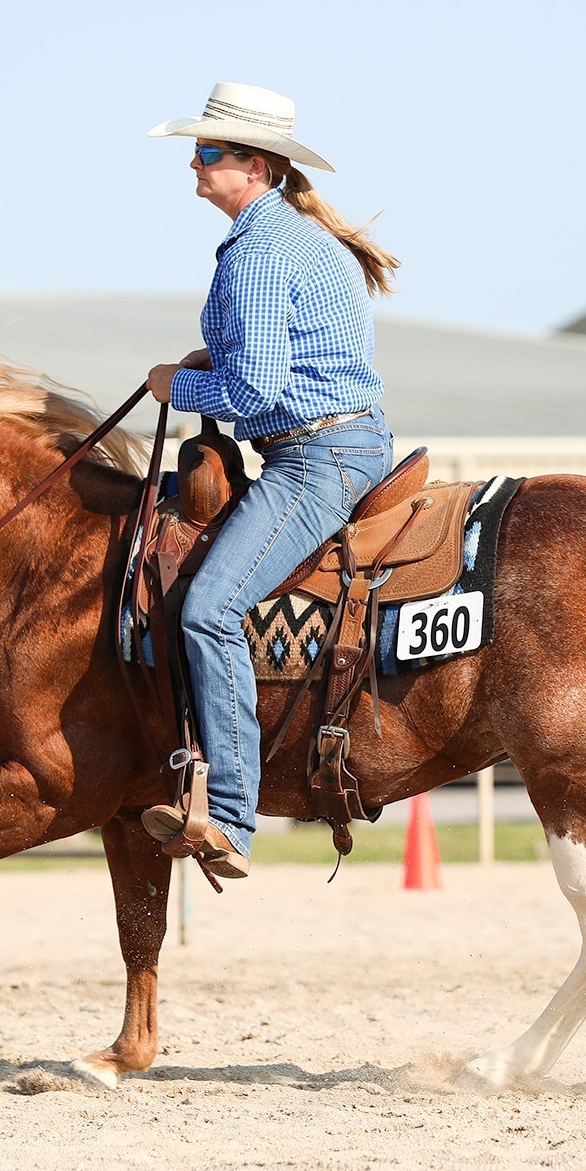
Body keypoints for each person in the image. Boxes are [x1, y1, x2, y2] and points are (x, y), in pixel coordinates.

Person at [139, 82, 399, 879]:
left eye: (209, 153)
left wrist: (171, 386)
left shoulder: (257, 251)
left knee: (210, 608)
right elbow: (279, 364)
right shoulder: (296, 235)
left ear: (253, 166)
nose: (194, 162)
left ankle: (229, 817)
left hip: (315, 456)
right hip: (343, 441)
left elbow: (253, 396)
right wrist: (209, 363)